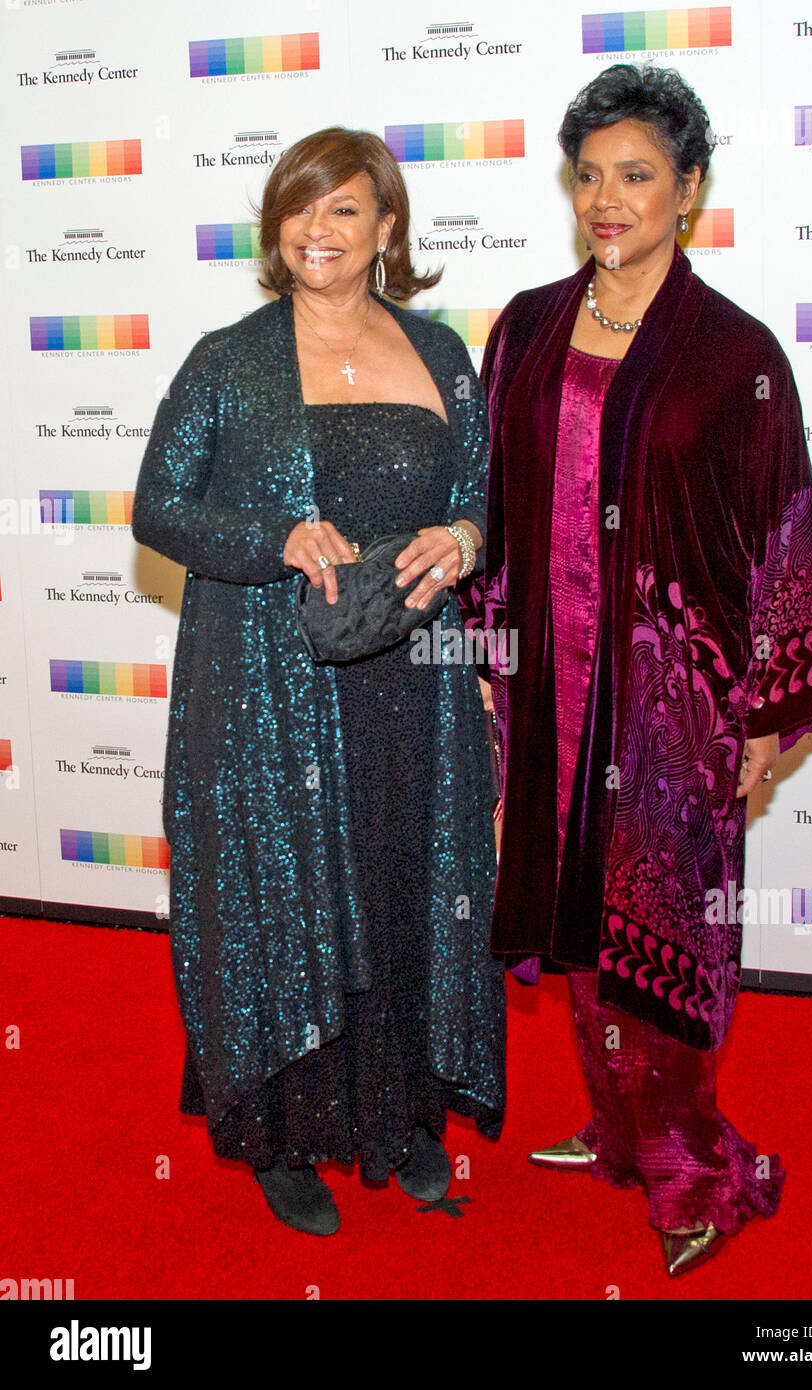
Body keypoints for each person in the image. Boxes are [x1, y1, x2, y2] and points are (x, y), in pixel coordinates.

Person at [462, 64, 812, 1275]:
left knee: (661, 918)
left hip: (675, 699)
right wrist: (484, 647)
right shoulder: (523, 323)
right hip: (548, 694)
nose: (607, 201)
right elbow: (491, 506)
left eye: (635, 176)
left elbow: (783, 526)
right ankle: (619, 1130)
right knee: (576, 917)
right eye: (589, 176)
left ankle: (692, 1166)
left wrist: (769, 704)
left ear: (690, 186)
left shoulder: (738, 354)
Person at [132, 127, 504, 1237]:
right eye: (299, 208)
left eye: (345, 209)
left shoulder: (441, 354)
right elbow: (160, 510)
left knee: (405, 883)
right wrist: (276, 534)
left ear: (387, 228)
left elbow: (485, 495)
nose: (318, 231)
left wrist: (470, 538)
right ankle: (287, 1136)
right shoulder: (227, 359)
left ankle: (402, 1121)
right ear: (274, 227)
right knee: (285, 900)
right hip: (265, 691)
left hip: (414, 692)